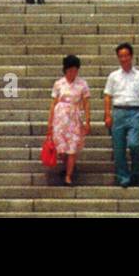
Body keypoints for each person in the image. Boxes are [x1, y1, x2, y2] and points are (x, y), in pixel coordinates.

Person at [103, 43, 139, 188]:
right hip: (118, 112)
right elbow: (107, 96)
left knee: (134, 143)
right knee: (119, 147)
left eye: (126, 55)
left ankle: (135, 172)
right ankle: (123, 177)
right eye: (121, 56)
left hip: (134, 112)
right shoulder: (113, 76)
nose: (124, 59)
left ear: (131, 56)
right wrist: (107, 115)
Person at [47, 55, 91, 185]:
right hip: (60, 118)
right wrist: (50, 123)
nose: (72, 73)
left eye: (75, 70)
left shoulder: (82, 84)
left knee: (72, 147)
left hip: (74, 118)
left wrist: (88, 121)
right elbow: (53, 103)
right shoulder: (58, 84)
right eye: (70, 70)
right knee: (62, 149)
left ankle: (68, 175)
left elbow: (86, 103)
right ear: (65, 70)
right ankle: (68, 166)